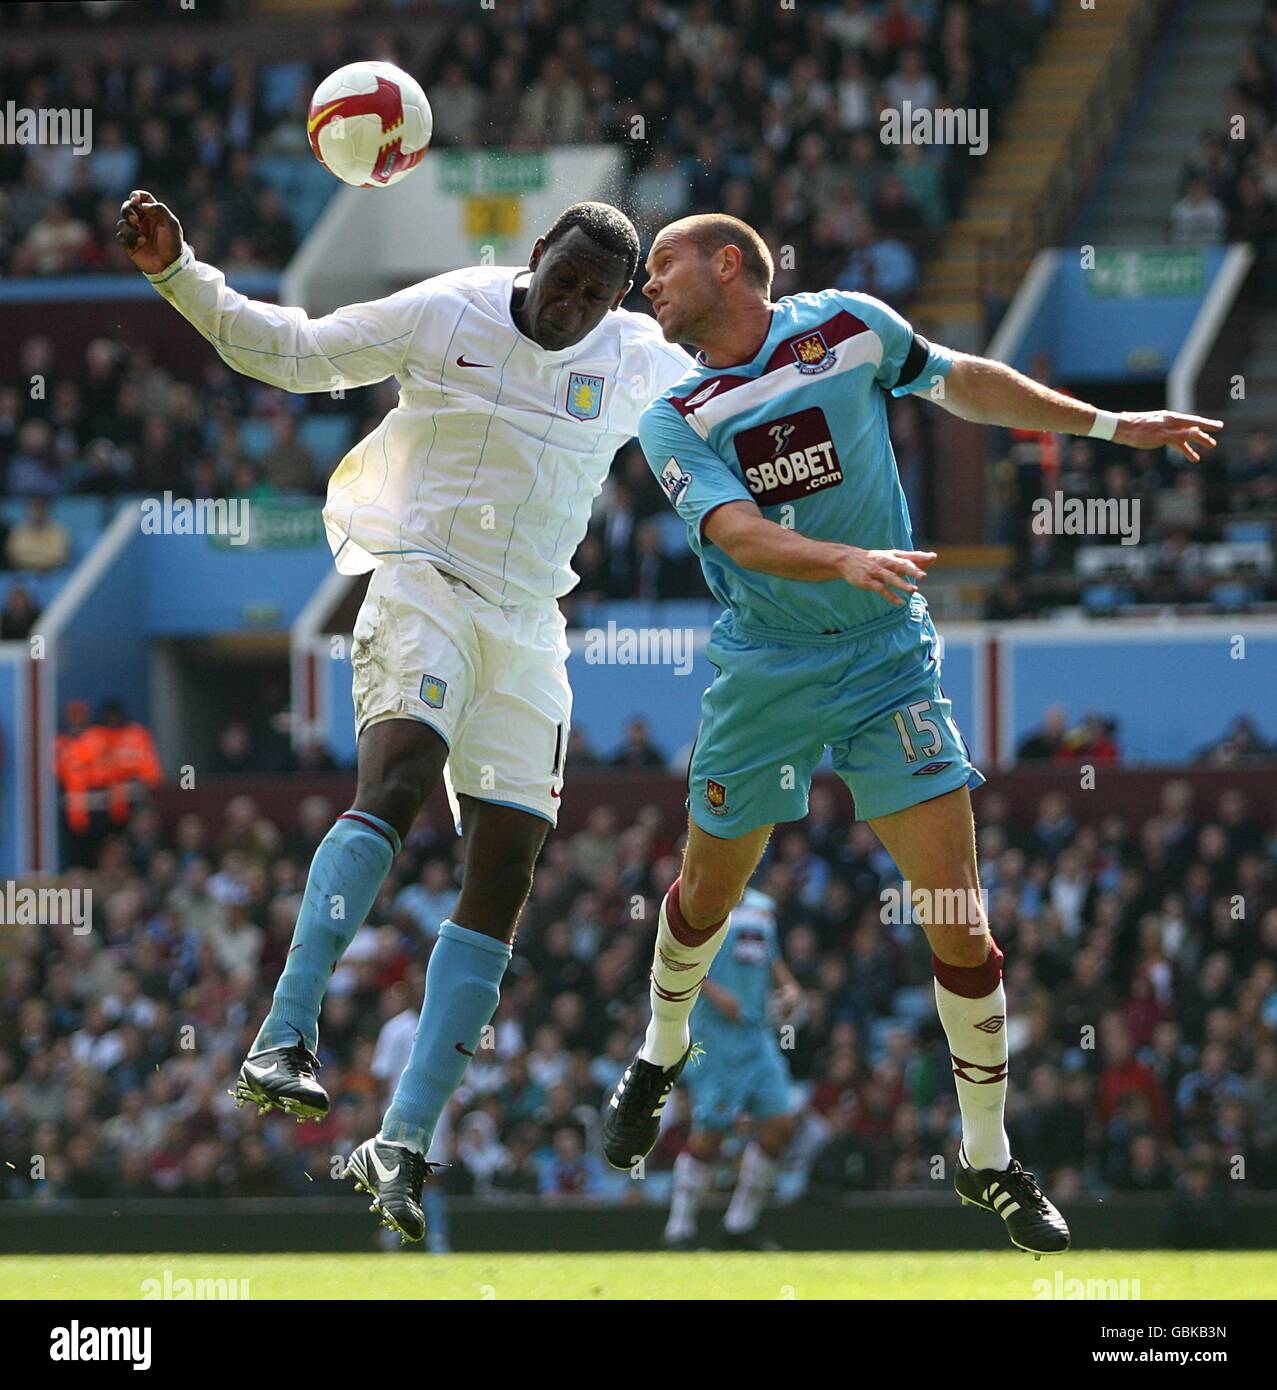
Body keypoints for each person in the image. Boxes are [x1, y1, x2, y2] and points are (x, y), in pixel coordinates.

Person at [604, 211, 1221, 1257]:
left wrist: (1113, 430)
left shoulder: (846, 325)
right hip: (767, 668)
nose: (644, 285)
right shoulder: (672, 416)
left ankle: (985, 1158)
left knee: (956, 920)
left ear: (727, 264)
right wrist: (839, 559)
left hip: (886, 657)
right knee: (706, 893)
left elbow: (962, 381)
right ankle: (659, 1050)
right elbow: (736, 533)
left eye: (660, 264)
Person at [118, 189, 692, 1244]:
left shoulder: (640, 357)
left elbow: (737, 405)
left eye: (592, 295)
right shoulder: (447, 309)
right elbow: (288, 351)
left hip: (529, 627)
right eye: (560, 279)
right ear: (533, 254)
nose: (567, 306)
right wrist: (178, 271)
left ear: (617, 300)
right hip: (422, 584)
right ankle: (283, 1035)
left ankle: (403, 1139)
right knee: (395, 780)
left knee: (507, 872)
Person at [664, 887, 801, 1251]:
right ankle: (679, 1230)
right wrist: (711, 990)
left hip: (758, 1035)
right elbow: (674, 958)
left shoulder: (761, 907)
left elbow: (770, 958)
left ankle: (739, 1226)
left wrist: (788, 988)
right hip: (715, 1037)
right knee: (711, 1132)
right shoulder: (697, 899)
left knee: (780, 1124)